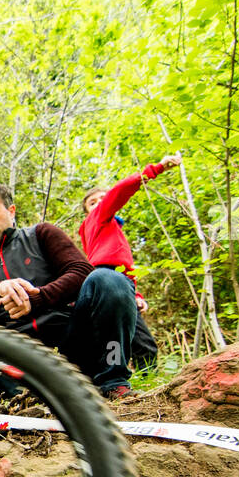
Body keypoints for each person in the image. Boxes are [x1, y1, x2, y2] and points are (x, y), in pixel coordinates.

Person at [0, 180, 137, 403]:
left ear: (11, 211)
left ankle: (113, 380)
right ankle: (18, 396)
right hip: (18, 365)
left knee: (109, 279)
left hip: (73, 346)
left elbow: (82, 270)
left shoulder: (41, 234)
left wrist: (37, 297)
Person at [78, 155, 181, 370]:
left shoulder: (108, 231)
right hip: (109, 280)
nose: (99, 203)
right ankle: (117, 383)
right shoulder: (96, 219)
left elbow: (120, 265)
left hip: (118, 282)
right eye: (92, 202)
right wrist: (156, 168)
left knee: (139, 344)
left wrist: (136, 295)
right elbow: (120, 191)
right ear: (88, 211)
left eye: (102, 199)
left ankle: (141, 387)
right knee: (125, 343)